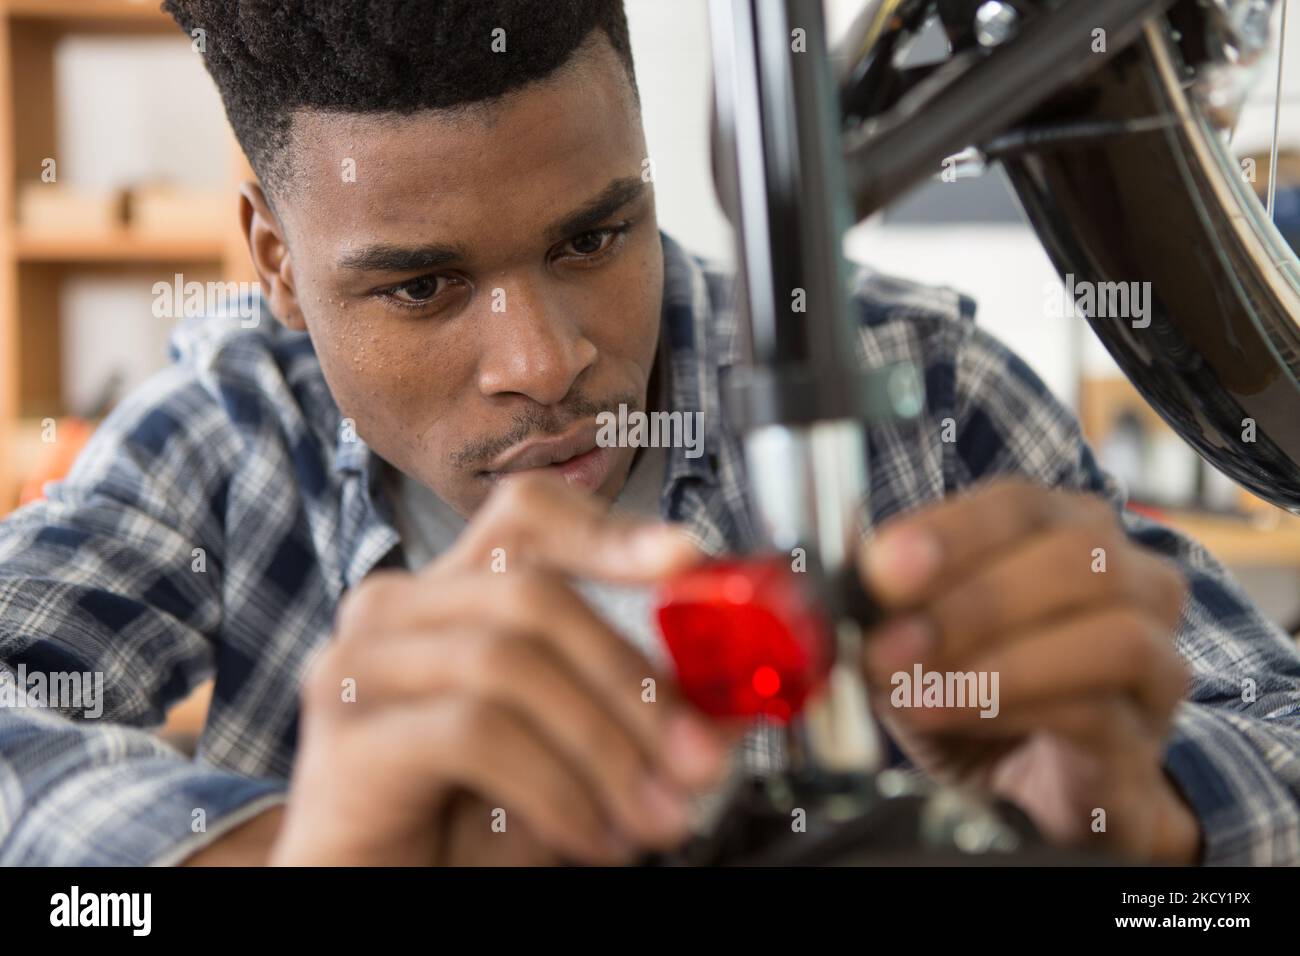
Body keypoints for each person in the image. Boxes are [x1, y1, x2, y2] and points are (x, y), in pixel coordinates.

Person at [0, 0, 1297, 867]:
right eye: (421, 287)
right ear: (277, 266)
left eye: (592, 237)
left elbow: (1273, 720)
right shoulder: (232, 423)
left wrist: (1152, 821)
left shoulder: (920, 390)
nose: (543, 363)